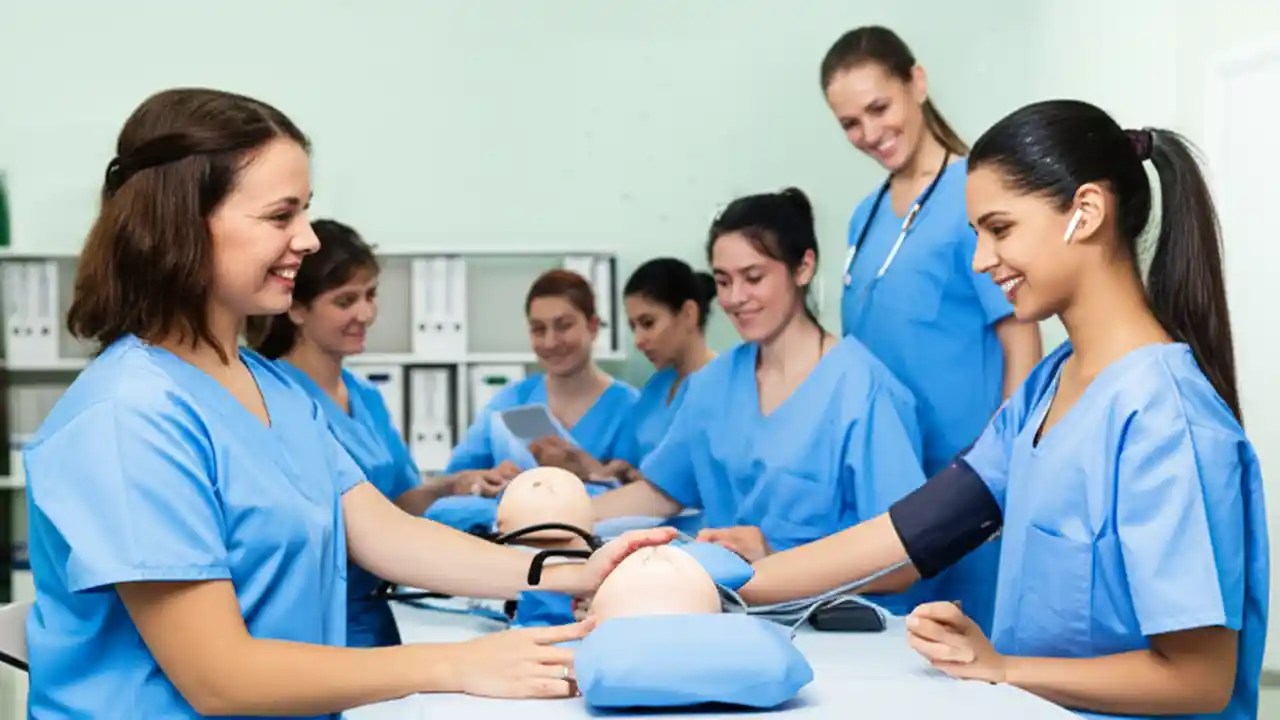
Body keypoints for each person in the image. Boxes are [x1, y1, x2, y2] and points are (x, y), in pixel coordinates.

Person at [21, 87, 673, 719]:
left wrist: (569, 570)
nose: (306, 239)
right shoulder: (127, 417)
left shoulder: (268, 386)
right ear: (184, 226)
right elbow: (220, 677)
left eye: (305, 211)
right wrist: (456, 664)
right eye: (282, 216)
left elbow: (386, 535)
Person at [738, 100, 1268, 720]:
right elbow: (914, 534)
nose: (980, 261)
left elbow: (1199, 680)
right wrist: (723, 583)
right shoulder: (1050, 386)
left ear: (1086, 213)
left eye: (1000, 229)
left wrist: (1003, 668)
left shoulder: (1165, 418)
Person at [592, 187, 941, 616]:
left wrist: (775, 556)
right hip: (726, 616)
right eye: (723, 281)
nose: (736, 297)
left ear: (803, 267)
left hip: (840, 631)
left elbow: (905, 558)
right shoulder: (714, 384)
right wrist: (562, 520)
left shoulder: (862, 391)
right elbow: (660, 493)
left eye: (753, 277)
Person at [819, 26, 1044, 629]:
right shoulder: (864, 218)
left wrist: (1005, 466)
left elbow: (1021, 340)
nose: (869, 133)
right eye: (849, 123)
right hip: (889, 490)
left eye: (878, 108)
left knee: (973, 657)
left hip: (966, 486)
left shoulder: (974, 195)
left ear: (916, 83)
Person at [245, 218, 502, 649]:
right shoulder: (269, 396)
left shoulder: (365, 395)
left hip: (375, 613)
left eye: (370, 295)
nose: (365, 314)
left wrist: (449, 487)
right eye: (345, 301)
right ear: (297, 308)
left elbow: (394, 506)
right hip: (312, 623)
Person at [443, 269, 641, 477]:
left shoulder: (630, 408)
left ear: (592, 327)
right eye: (538, 329)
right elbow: (453, 479)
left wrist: (591, 473)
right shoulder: (510, 400)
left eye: (563, 326)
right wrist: (488, 477)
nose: (551, 342)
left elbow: (644, 495)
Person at [541, 257, 717, 484]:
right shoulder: (656, 388)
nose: (638, 340)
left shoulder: (720, 386)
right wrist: (593, 467)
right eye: (633, 326)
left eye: (648, 323)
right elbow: (642, 469)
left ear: (688, 314)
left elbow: (692, 484)